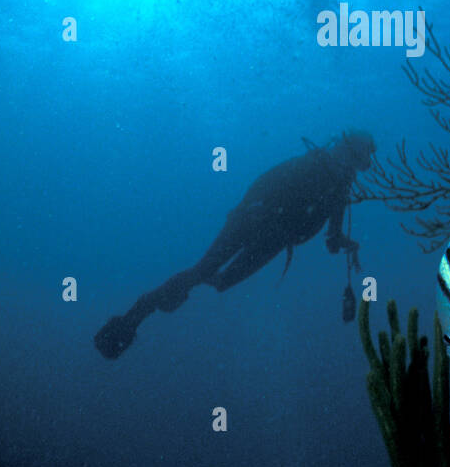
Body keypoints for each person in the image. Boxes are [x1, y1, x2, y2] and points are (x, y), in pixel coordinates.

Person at [94, 130, 376, 359]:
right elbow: (272, 189)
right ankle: (133, 318)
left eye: (361, 164)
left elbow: (331, 240)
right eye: (359, 159)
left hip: (269, 235)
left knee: (217, 280)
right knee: (204, 271)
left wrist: (346, 243)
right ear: (348, 151)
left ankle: (156, 303)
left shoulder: (339, 189)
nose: (357, 168)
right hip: (251, 223)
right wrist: (257, 215)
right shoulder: (314, 167)